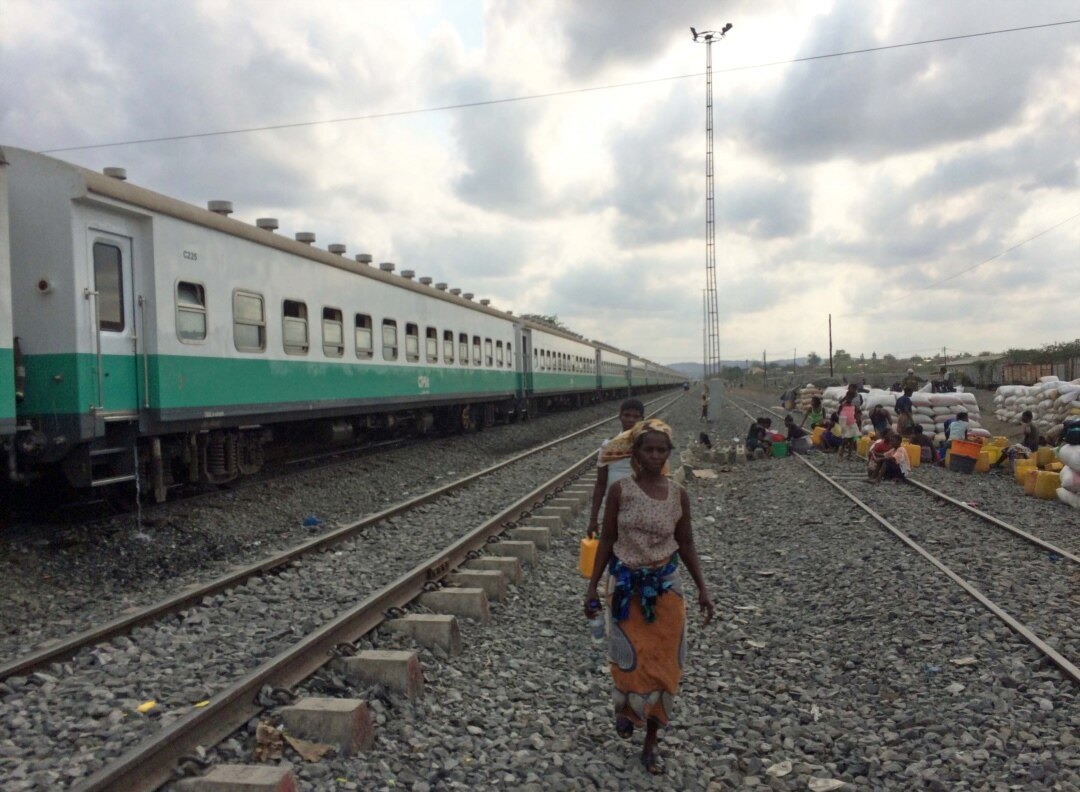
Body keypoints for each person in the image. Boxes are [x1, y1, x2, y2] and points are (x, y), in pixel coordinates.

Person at [583, 419, 714, 775]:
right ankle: (626, 709)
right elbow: (608, 539)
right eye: (648, 449)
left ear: (668, 454)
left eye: (661, 450)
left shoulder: (678, 494)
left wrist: (703, 588)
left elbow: (686, 543)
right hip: (626, 588)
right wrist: (592, 585)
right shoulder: (620, 491)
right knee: (628, 661)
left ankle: (651, 742)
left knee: (666, 667)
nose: (655, 455)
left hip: (667, 588)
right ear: (636, 454)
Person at [587, 399, 645, 538]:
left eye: (636, 417)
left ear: (642, 419)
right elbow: (601, 483)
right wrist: (593, 519)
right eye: (627, 415)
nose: (631, 420)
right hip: (614, 506)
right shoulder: (609, 445)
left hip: (642, 507)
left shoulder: (647, 445)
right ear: (620, 416)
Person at [838, 388, 862, 459]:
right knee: (845, 439)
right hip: (845, 423)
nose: (850, 399)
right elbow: (839, 413)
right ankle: (841, 453)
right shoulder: (843, 405)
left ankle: (849, 454)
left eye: (851, 397)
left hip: (852, 423)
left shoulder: (853, 406)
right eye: (848, 397)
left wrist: (857, 419)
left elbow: (857, 413)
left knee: (852, 439)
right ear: (846, 397)